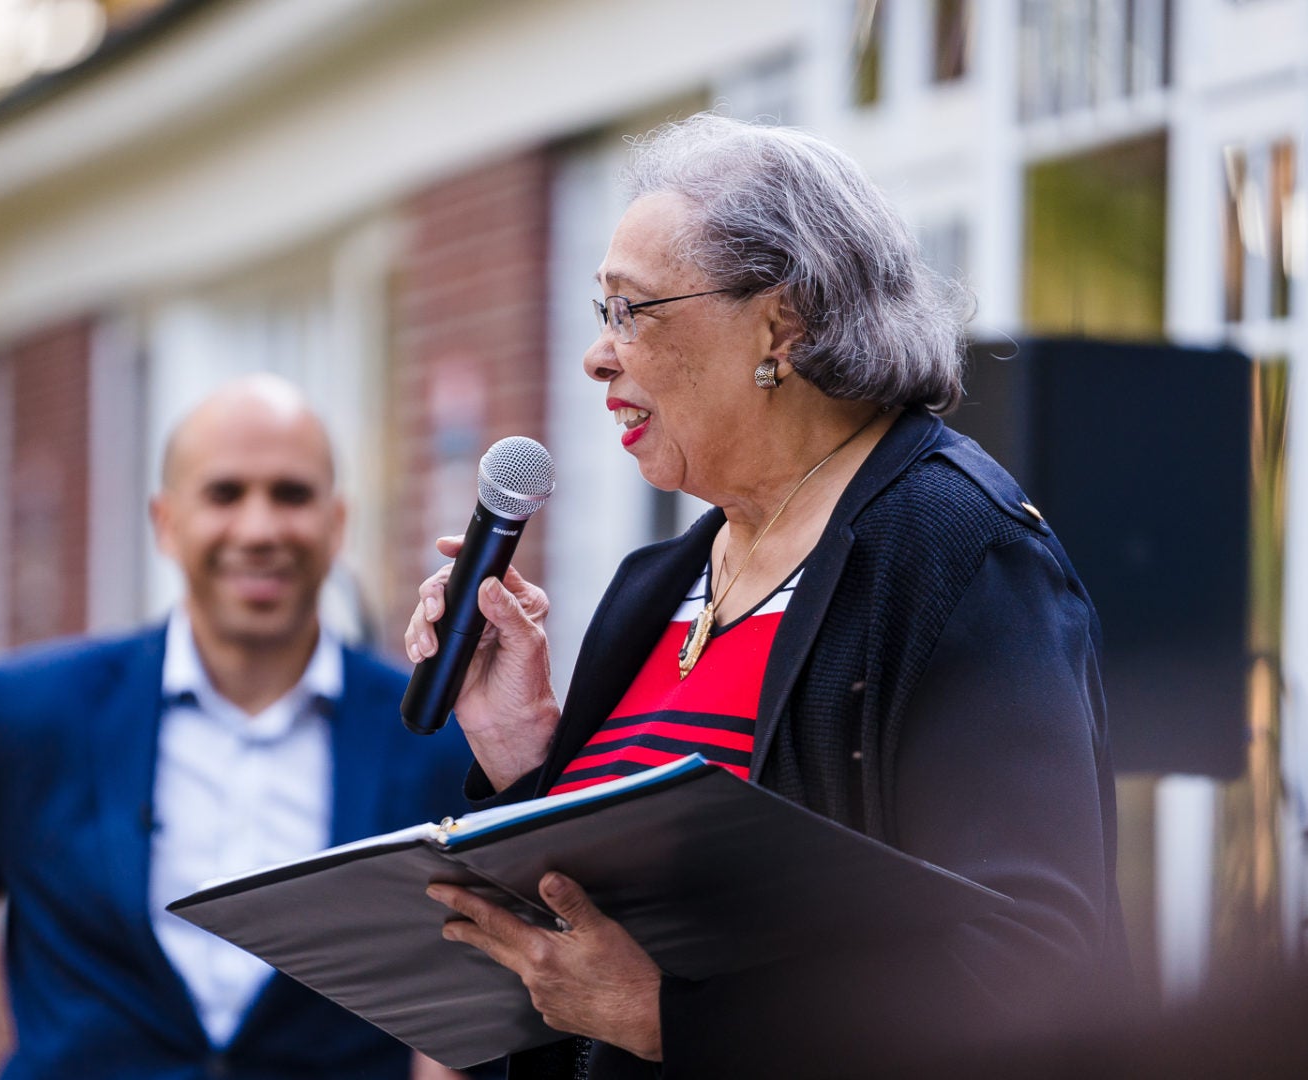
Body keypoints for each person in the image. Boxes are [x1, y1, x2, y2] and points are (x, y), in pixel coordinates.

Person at [405, 113, 1128, 1077]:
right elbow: (588, 935)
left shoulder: (958, 552)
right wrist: (521, 748)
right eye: (598, 313)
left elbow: (1034, 966)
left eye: (632, 310)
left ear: (780, 325)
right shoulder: (652, 587)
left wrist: (671, 1020)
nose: (598, 355)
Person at [0, 375, 478, 1079]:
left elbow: (503, 983)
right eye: (224, 494)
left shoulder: (434, 733)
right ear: (165, 522)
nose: (258, 530)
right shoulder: (31, 714)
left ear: (336, 522)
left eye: (290, 495)